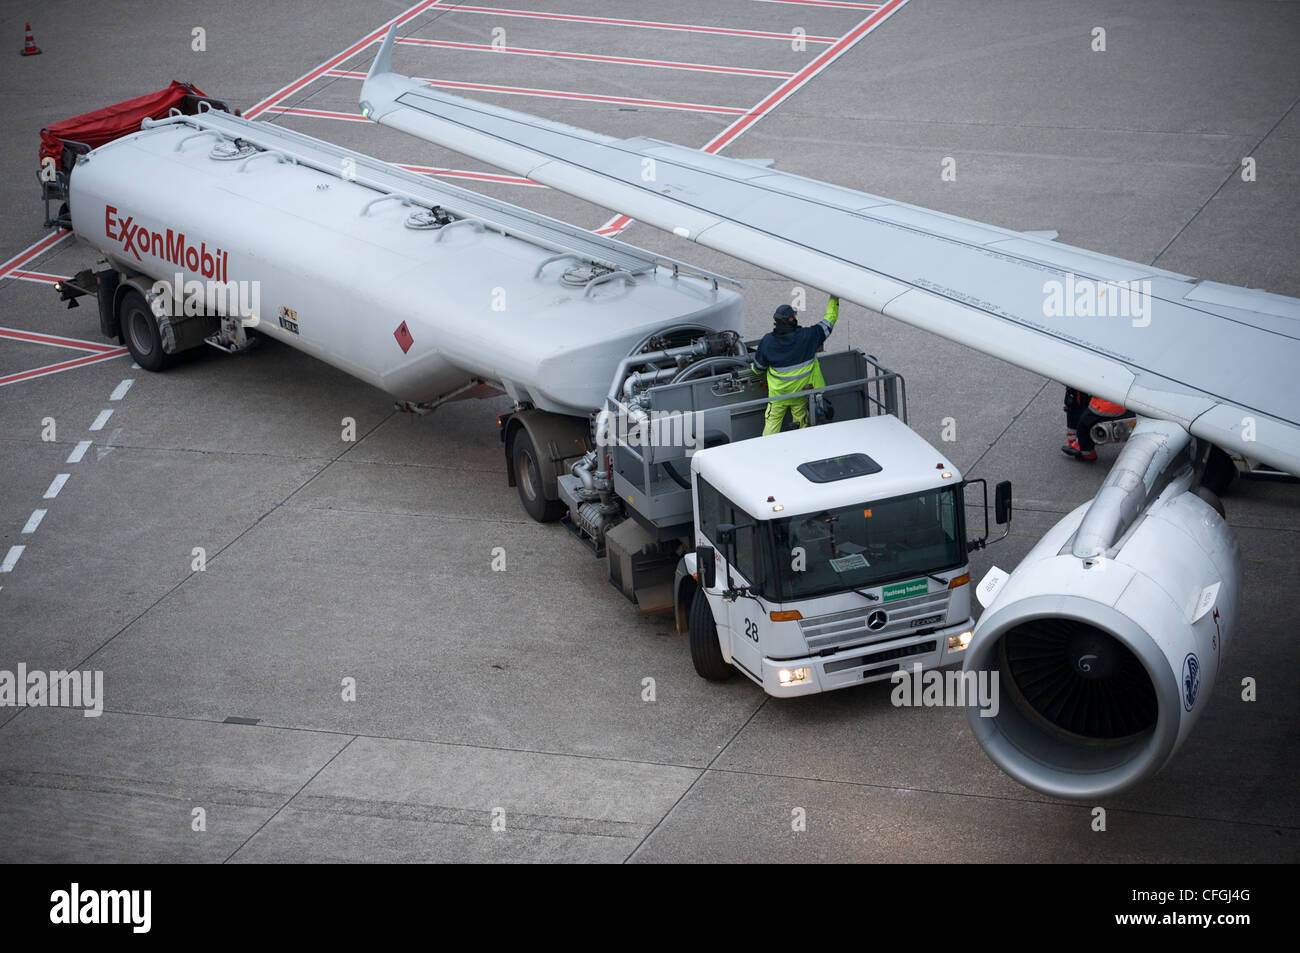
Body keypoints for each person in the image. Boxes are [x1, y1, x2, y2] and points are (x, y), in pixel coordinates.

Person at [752, 296, 840, 436]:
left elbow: (758, 369)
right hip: (800, 393)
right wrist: (834, 299)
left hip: (778, 396)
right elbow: (829, 321)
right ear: (792, 320)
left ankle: (767, 451)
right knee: (800, 423)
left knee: (772, 423)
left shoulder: (767, 341)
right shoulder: (808, 336)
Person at [1063, 386, 1128, 461]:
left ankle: (1086, 454)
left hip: (1104, 407)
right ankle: (1077, 444)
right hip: (1122, 404)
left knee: (1084, 423)